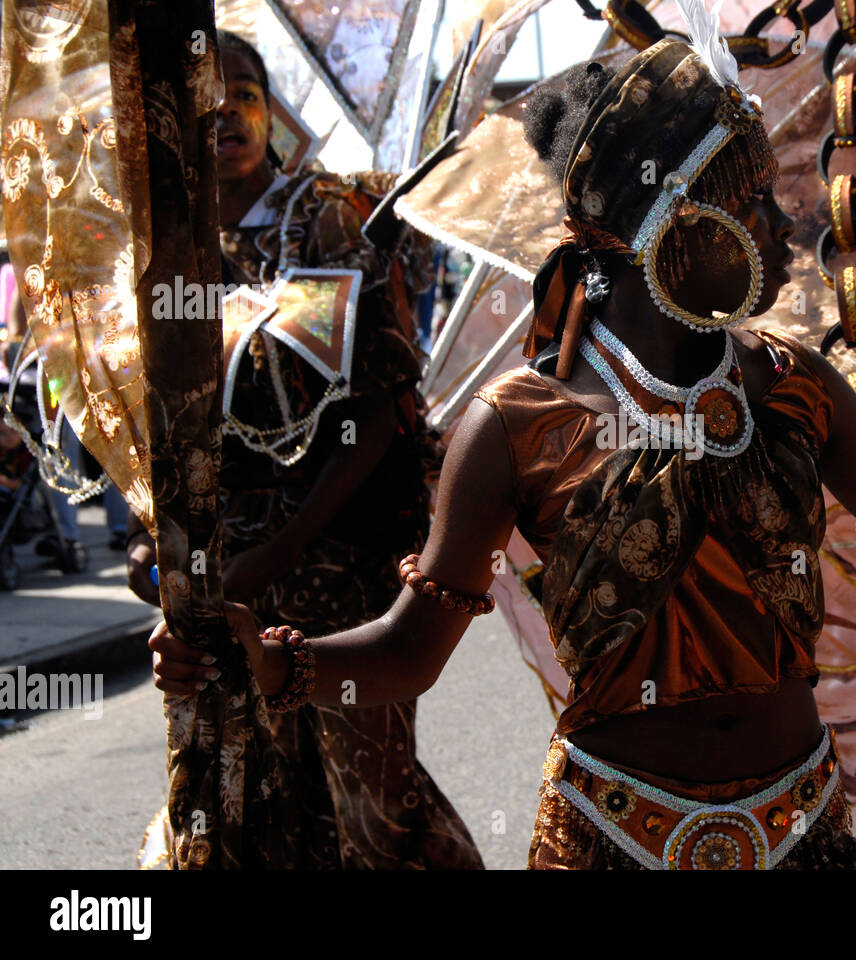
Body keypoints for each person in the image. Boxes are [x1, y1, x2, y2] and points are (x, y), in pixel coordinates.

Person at [150, 35, 856, 870]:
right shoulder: (517, 427)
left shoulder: (795, 391)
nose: (784, 231)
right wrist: (281, 663)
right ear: (661, 228)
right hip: (608, 839)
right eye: (745, 203)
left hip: (799, 830)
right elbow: (411, 649)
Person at [129, 31, 482, 870]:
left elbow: (378, 413)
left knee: (374, 794)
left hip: (341, 562)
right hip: (223, 573)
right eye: (200, 95)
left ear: (272, 108)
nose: (224, 113)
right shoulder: (163, 248)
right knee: (252, 797)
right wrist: (159, 535)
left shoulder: (321, 219)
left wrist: (279, 550)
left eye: (243, 91)